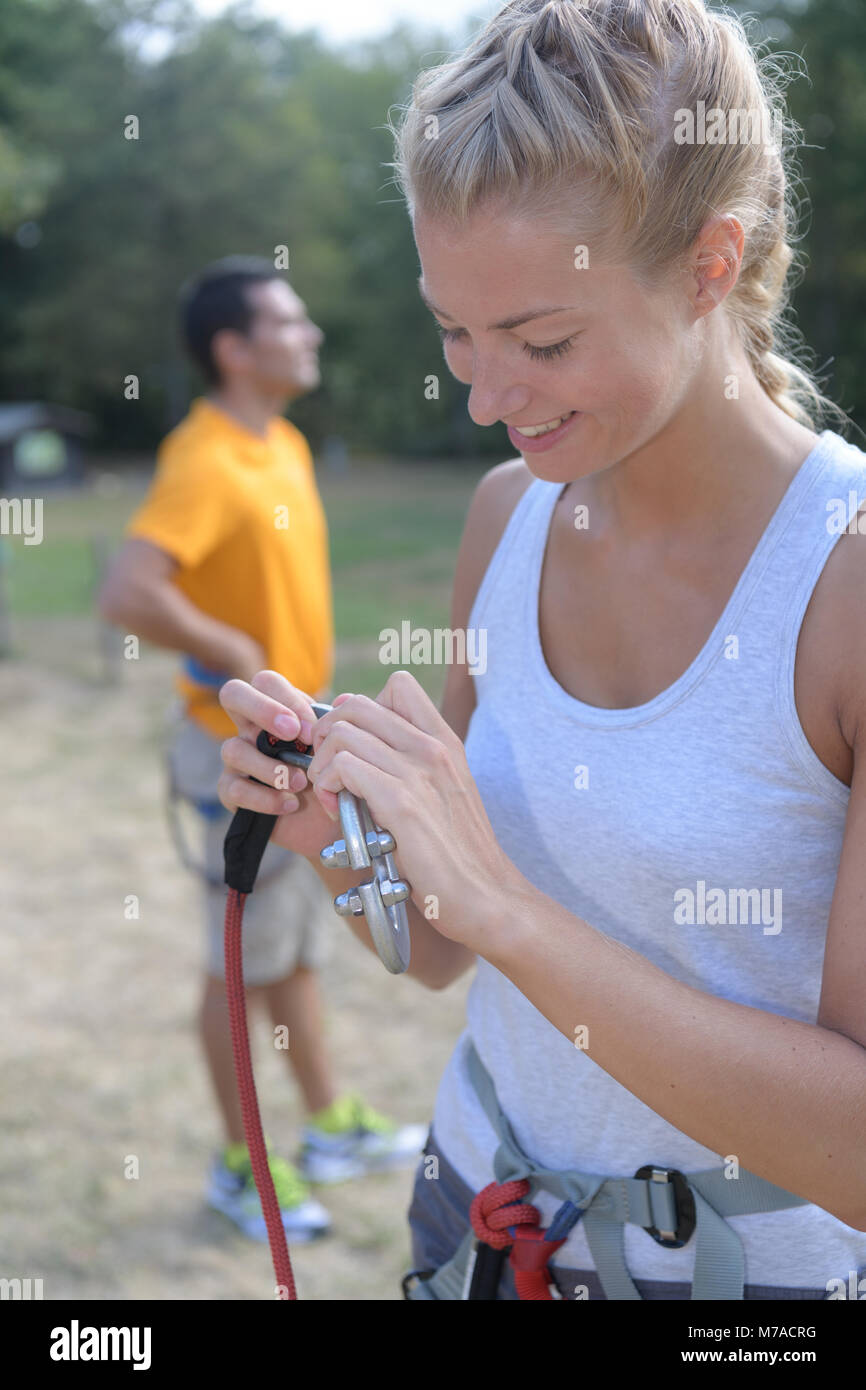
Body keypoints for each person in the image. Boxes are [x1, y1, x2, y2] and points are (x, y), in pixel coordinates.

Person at [215, 0, 866, 1299]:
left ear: (707, 265)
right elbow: (443, 946)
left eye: (542, 341)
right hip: (479, 1217)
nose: (482, 394)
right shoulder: (506, 519)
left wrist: (507, 908)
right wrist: (341, 837)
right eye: (454, 329)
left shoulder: (840, 582)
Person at [98, 255, 425, 1246]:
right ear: (234, 350)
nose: (310, 332)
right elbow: (127, 589)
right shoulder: (206, 456)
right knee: (234, 964)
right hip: (234, 760)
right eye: (288, 319)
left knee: (292, 953)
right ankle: (241, 1163)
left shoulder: (275, 439)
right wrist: (234, 653)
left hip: (293, 756)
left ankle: (328, 1127)